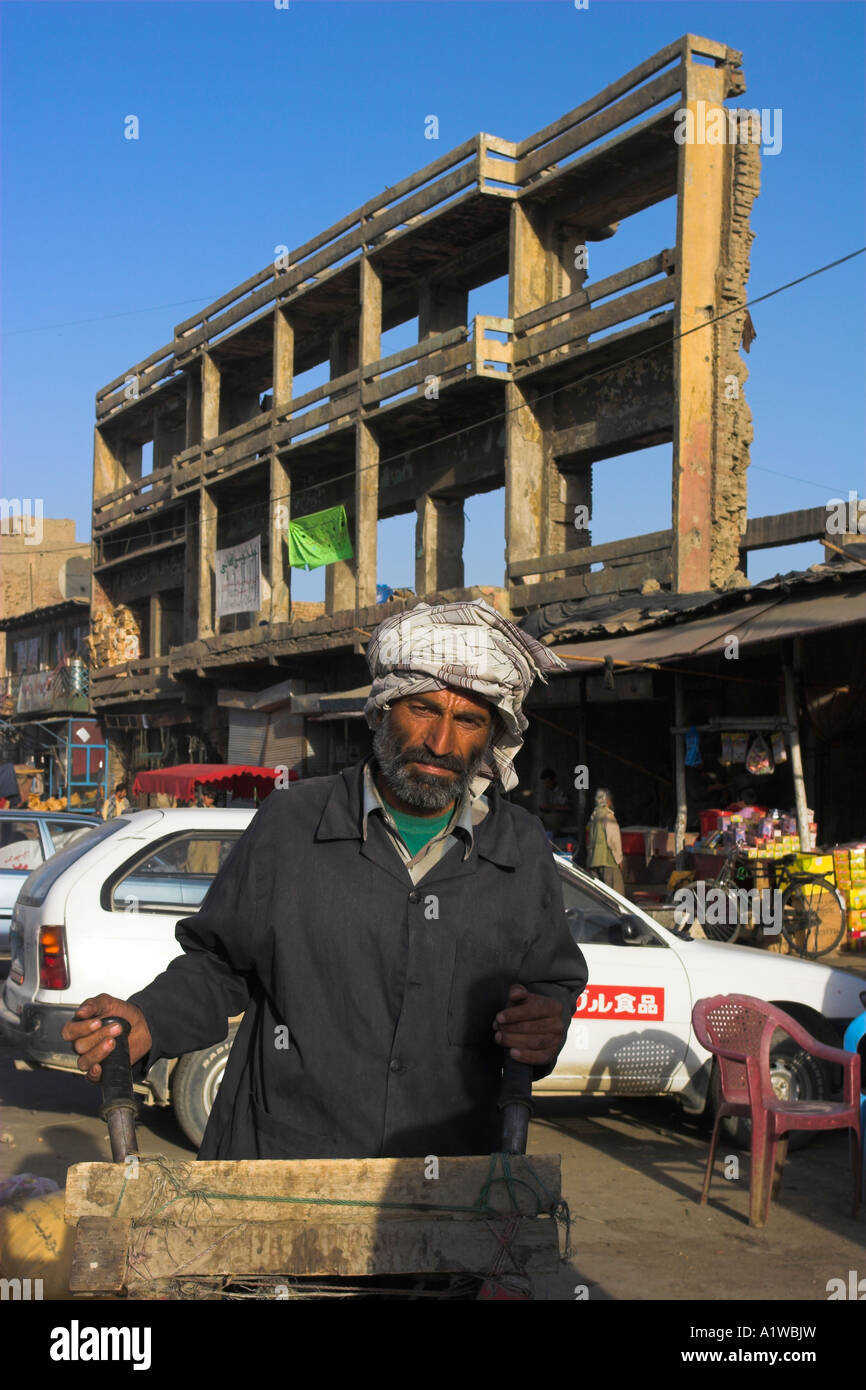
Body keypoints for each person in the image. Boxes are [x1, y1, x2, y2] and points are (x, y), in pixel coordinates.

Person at [63, 600, 588, 1161]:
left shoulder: (520, 847)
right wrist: (150, 1020)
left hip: (453, 1175)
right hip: (284, 1168)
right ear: (383, 710)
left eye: (468, 721)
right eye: (422, 710)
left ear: (490, 736)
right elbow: (219, 966)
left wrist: (545, 1023)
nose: (441, 742)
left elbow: (550, 980)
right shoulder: (292, 823)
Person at [586, 787, 625, 897]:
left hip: (594, 862)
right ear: (607, 801)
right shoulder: (608, 816)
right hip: (608, 862)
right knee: (616, 896)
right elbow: (614, 840)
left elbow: (589, 841)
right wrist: (619, 860)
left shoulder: (593, 818)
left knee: (599, 896)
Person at [537, 768, 569, 837]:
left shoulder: (562, 791)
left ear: (554, 780)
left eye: (548, 782)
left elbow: (567, 808)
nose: (546, 785)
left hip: (564, 817)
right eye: (544, 783)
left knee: (549, 819)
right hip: (552, 816)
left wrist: (550, 806)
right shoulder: (549, 792)